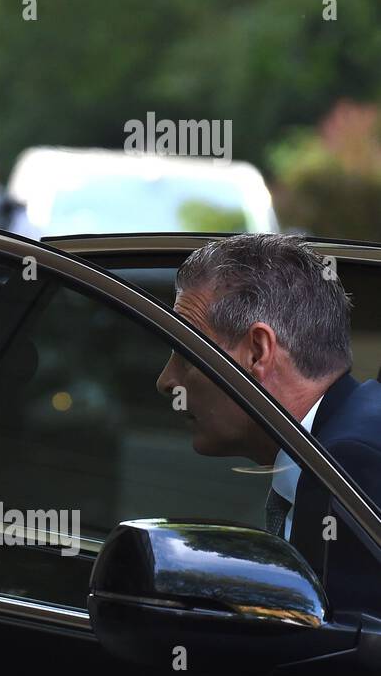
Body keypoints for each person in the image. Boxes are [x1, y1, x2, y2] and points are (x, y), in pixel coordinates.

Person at [156, 233, 381, 613]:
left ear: (257, 351)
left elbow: (337, 663)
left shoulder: (349, 470)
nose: (166, 381)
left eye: (186, 351)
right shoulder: (338, 444)